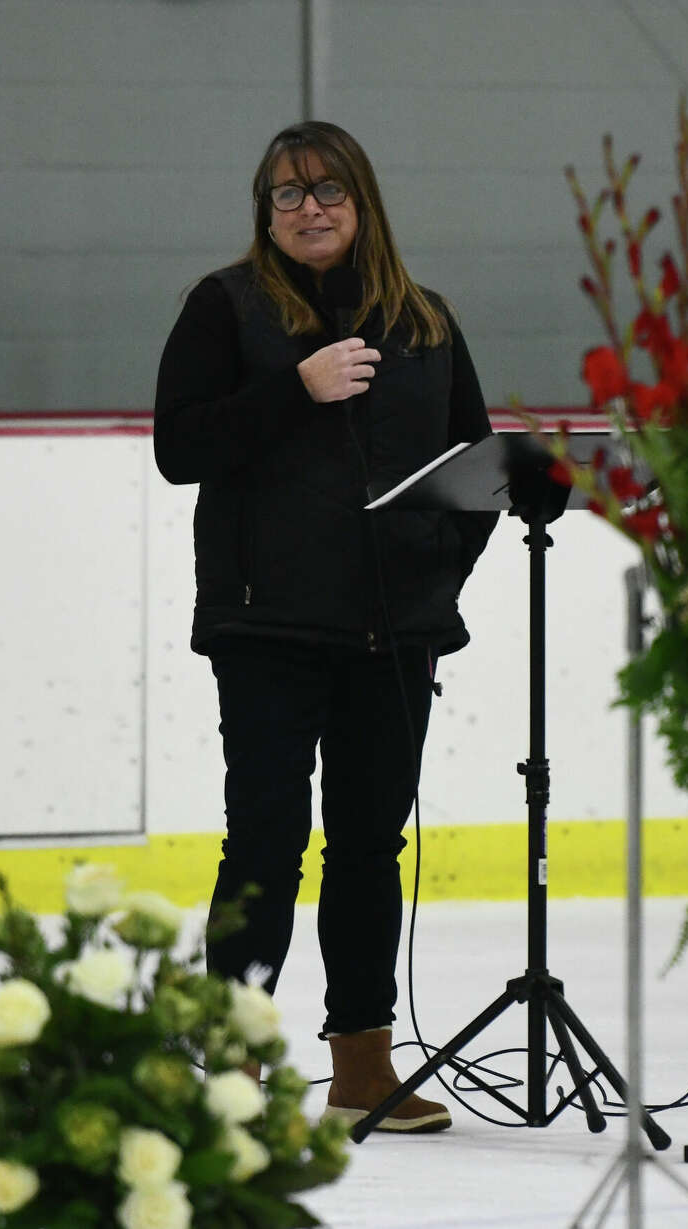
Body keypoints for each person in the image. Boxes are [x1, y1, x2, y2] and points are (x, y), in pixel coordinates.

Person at [153, 121, 498, 1133]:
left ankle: (362, 1064)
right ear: (265, 212)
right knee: (265, 839)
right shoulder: (229, 307)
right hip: (267, 625)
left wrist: (439, 570)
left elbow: (475, 467)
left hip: (397, 631)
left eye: (328, 191)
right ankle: (234, 1058)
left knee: (368, 845)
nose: (310, 209)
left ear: (365, 202)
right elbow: (181, 446)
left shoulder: (427, 321)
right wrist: (292, 391)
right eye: (287, 195)